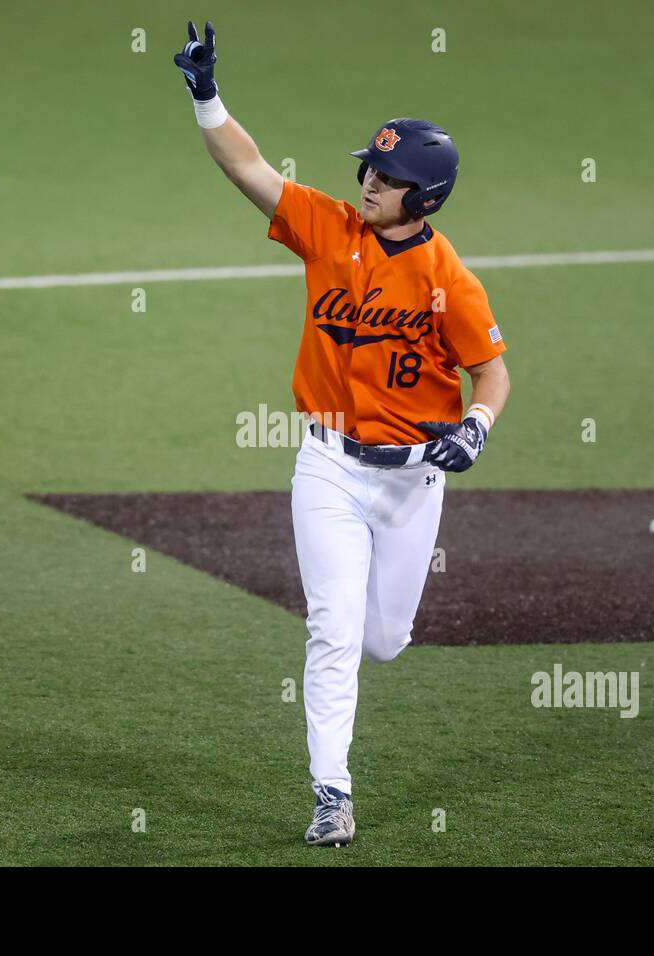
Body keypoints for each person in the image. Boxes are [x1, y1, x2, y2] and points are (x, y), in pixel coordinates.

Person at [175, 20, 511, 847]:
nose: (367, 179)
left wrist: (475, 428)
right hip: (326, 464)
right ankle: (332, 792)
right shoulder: (329, 228)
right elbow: (247, 166)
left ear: (423, 198)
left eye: (387, 176)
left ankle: (354, 701)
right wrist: (208, 96)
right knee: (332, 632)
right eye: (369, 164)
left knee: (384, 641)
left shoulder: (449, 281)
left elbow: (492, 373)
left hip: (410, 481)